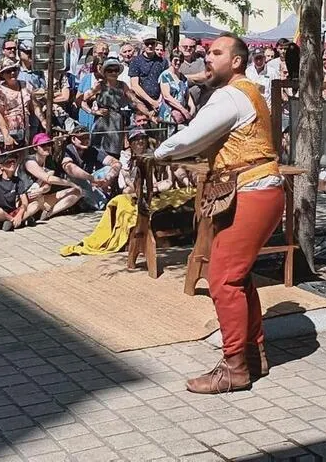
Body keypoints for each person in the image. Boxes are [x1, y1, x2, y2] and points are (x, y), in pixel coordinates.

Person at [154, 34, 283, 394]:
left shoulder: (230, 95)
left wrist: (157, 154)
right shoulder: (251, 91)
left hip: (252, 191)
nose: (207, 59)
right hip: (259, 189)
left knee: (223, 278)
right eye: (207, 52)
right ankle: (252, 356)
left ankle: (234, 368)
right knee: (238, 277)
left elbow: (190, 138)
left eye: (215, 53)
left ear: (237, 61)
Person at [85, 56, 145, 156]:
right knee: (96, 151)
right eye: (110, 70)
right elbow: (81, 100)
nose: (113, 73)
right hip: (102, 121)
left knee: (114, 153)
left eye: (116, 70)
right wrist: (93, 111)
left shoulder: (123, 85)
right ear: (105, 72)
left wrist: (149, 113)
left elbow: (135, 100)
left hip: (117, 122)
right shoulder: (99, 85)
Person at [22, 133, 83, 220]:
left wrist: (42, 190)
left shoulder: (49, 161)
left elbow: (47, 185)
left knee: (77, 192)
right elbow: (48, 179)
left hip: (41, 197)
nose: (47, 147)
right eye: (43, 145)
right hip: (26, 198)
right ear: (35, 147)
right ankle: (24, 218)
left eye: (49, 144)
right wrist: (70, 183)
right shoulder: (29, 161)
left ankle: (48, 214)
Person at [159, 51, 193, 129]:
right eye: (176, 60)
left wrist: (191, 110)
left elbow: (187, 96)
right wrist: (183, 110)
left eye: (180, 60)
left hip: (182, 116)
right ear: (171, 60)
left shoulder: (183, 78)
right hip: (169, 115)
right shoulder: (165, 75)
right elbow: (166, 96)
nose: (178, 62)